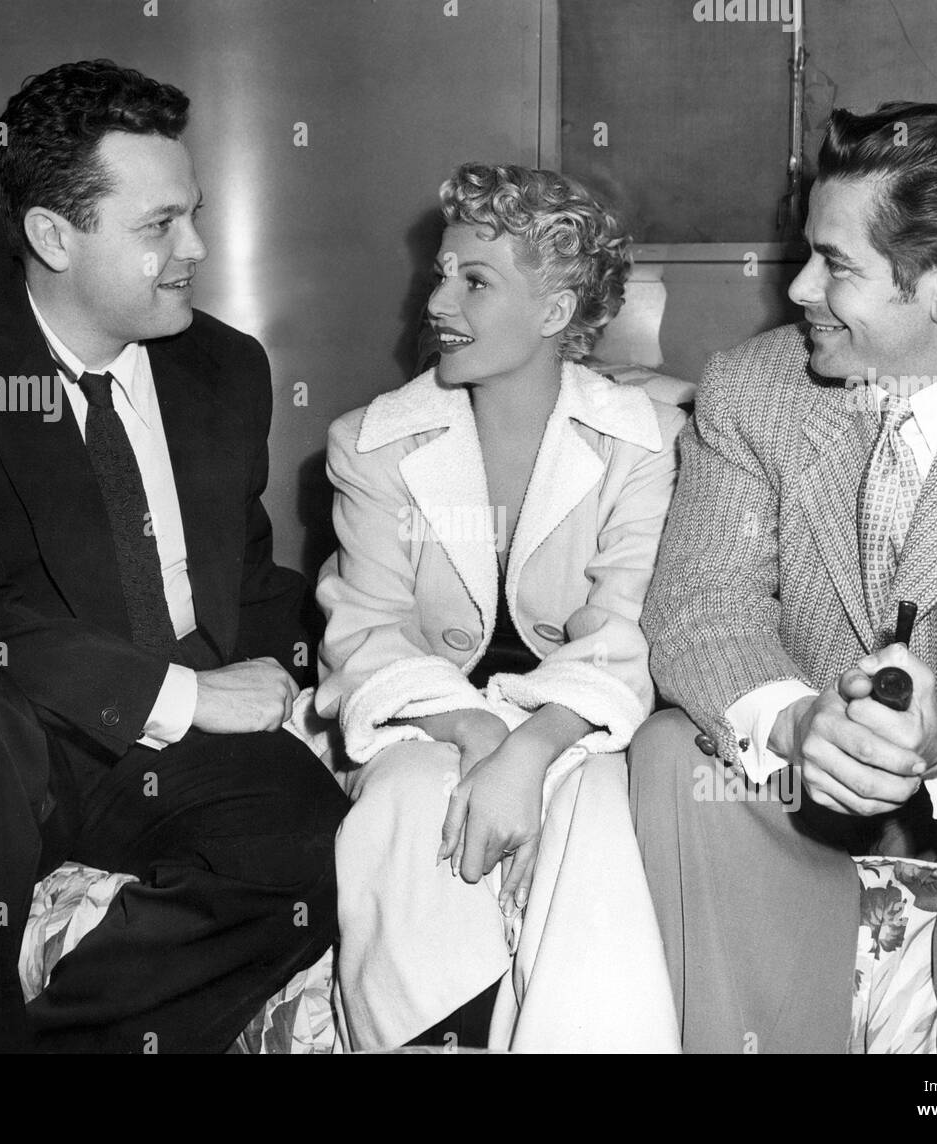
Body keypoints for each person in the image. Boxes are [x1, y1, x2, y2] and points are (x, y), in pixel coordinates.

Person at [0, 58, 348, 1053]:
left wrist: (305, 684)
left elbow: (238, 571)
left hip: (158, 727)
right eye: (158, 226)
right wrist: (183, 696)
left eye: (192, 212)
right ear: (53, 236)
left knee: (310, 843)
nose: (195, 247)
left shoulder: (222, 365)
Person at [631, 102, 937, 1053]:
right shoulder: (750, 391)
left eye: (836, 264)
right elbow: (698, 607)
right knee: (672, 756)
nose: (798, 285)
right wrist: (794, 723)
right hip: (794, 826)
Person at [310, 162, 683, 1051]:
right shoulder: (372, 445)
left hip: (583, 724)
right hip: (427, 720)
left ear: (555, 314)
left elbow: (626, 630)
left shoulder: (648, 443)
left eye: (475, 281)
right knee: (404, 801)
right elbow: (365, 629)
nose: (437, 300)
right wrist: (480, 740)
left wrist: (531, 751)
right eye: (440, 273)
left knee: (596, 810)